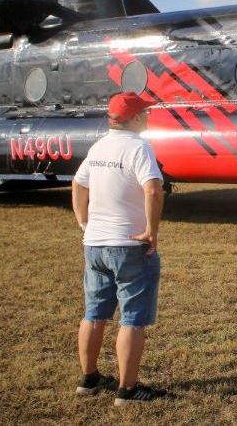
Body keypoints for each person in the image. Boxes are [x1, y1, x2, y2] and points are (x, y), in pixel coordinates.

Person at [72, 91, 169, 405]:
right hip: (129, 245)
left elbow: (78, 183)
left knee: (94, 314)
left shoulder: (99, 146)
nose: (149, 118)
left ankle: (89, 379)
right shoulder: (139, 147)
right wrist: (151, 232)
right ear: (136, 118)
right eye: (146, 113)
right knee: (133, 318)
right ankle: (127, 390)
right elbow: (153, 189)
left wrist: (84, 222)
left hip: (95, 244)